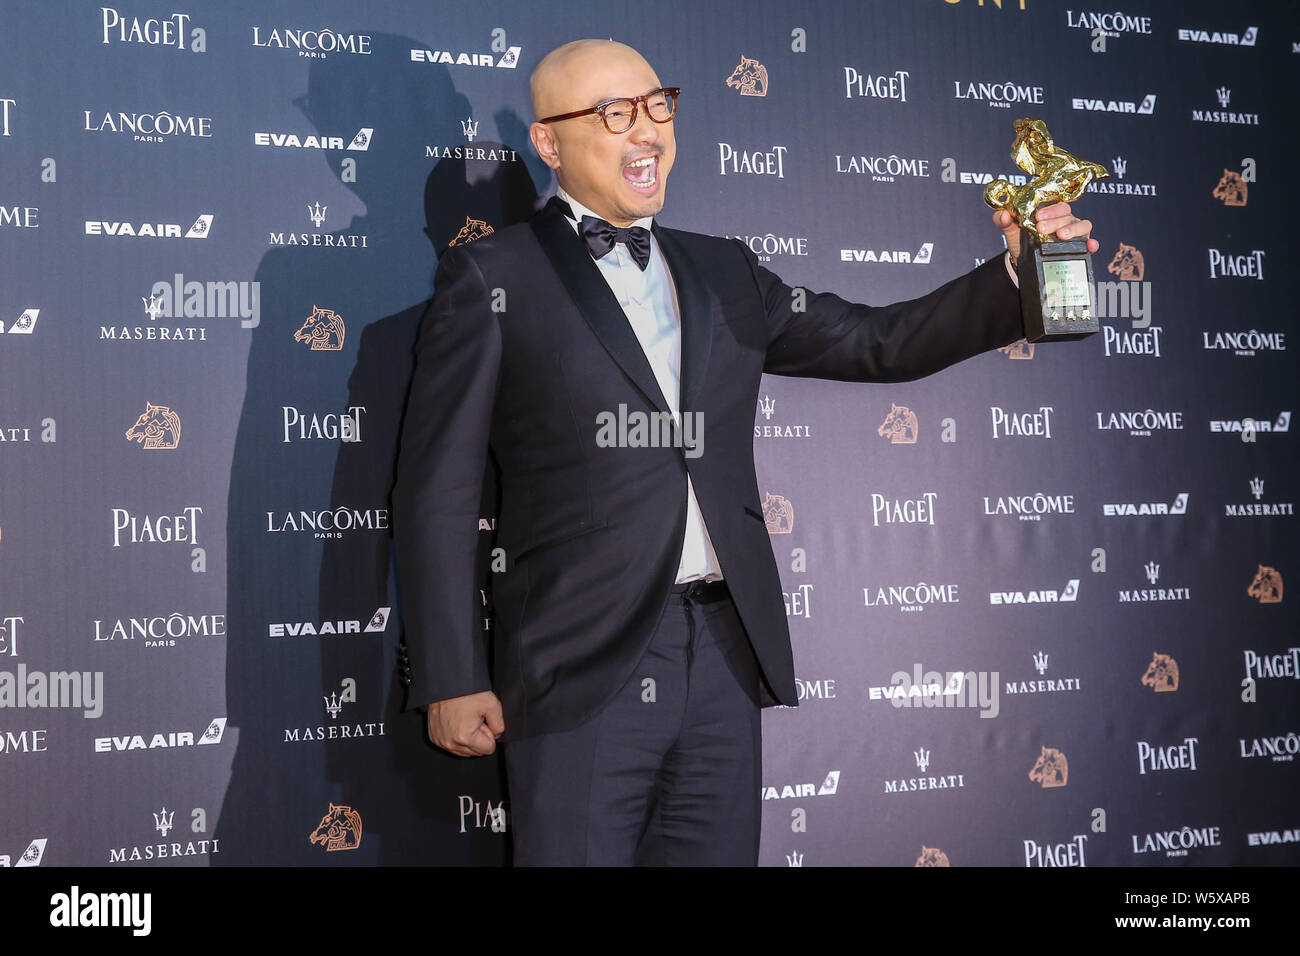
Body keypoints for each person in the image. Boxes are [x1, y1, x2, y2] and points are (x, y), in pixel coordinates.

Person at [392, 39, 1096, 865]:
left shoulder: (722, 269)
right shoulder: (491, 276)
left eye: (659, 106)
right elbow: (436, 490)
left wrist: (1018, 274)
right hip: (578, 663)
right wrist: (448, 672)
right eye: (614, 114)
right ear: (548, 143)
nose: (645, 132)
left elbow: (880, 342)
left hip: (726, 653)